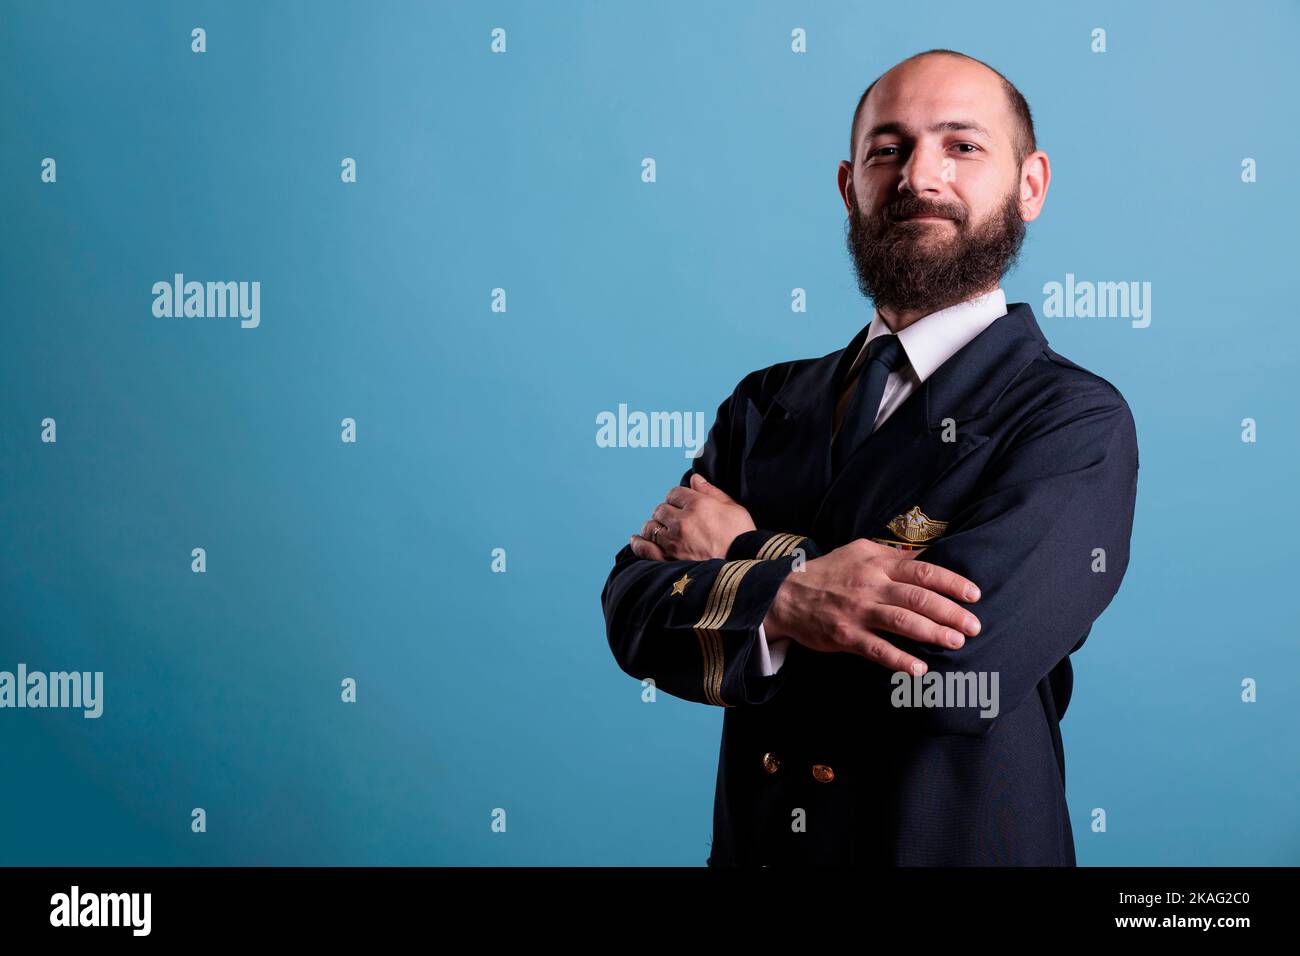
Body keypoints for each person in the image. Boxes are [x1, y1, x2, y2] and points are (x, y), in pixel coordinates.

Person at [600, 49, 1139, 865]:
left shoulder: (1072, 418)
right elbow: (634, 612)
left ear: (1031, 185)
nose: (920, 176)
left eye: (962, 145)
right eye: (888, 149)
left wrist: (751, 562)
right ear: (849, 184)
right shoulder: (768, 400)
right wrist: (807, 599)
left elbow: (961, 670)